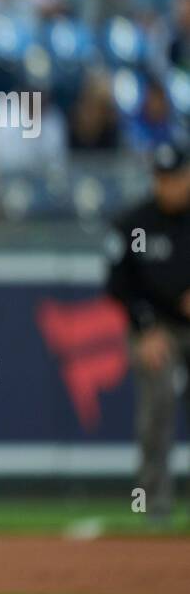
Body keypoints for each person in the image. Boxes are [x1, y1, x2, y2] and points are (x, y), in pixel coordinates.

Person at [104, 138, 190, 525]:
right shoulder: (134, 223)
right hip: (156, 329)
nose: (169, 185)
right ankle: (153, 502)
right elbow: (118, 285)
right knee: (157, 405)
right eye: (162, 177)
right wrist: (145, 327)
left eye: (176, 177)